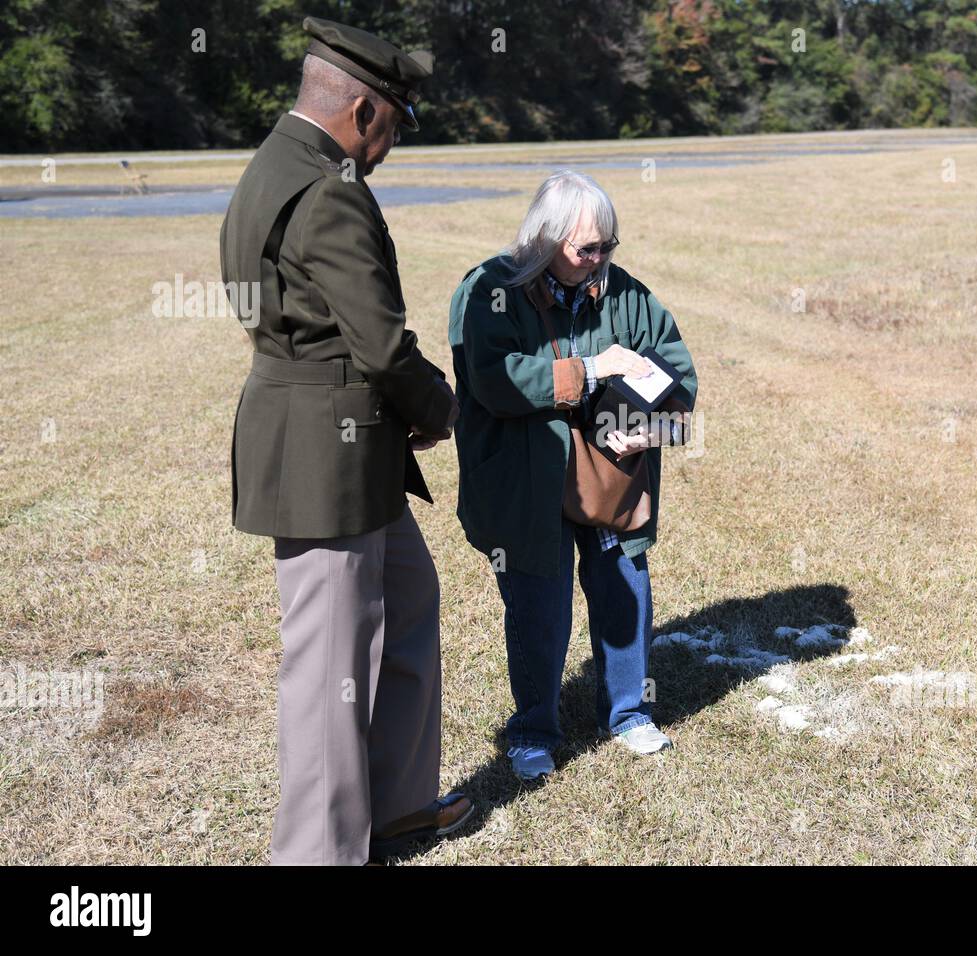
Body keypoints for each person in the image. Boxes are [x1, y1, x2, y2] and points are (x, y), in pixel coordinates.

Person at [219, 16, 471, 865]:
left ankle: (395, 804)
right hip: (329, 457)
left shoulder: (269, 167)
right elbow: (381, 344)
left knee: (407, 606)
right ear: (362, 109)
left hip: (336, 446)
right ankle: (319, 853)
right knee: (331, 671)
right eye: (393, 124)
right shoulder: (330, 189)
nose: (390, 145)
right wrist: (440, 408)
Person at [448, 170, 698, 781]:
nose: (598, 259)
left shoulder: (626, 294)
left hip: (610, 477)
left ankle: (629, 711)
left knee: (622, 585)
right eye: (586, 248)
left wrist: (652, 426)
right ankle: (533, 729)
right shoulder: (489, 291)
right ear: (545, 238)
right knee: (539, 604)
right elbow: (496, 382)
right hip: (525, 480)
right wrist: (588, 370)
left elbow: (678, 378)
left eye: (607, 246)